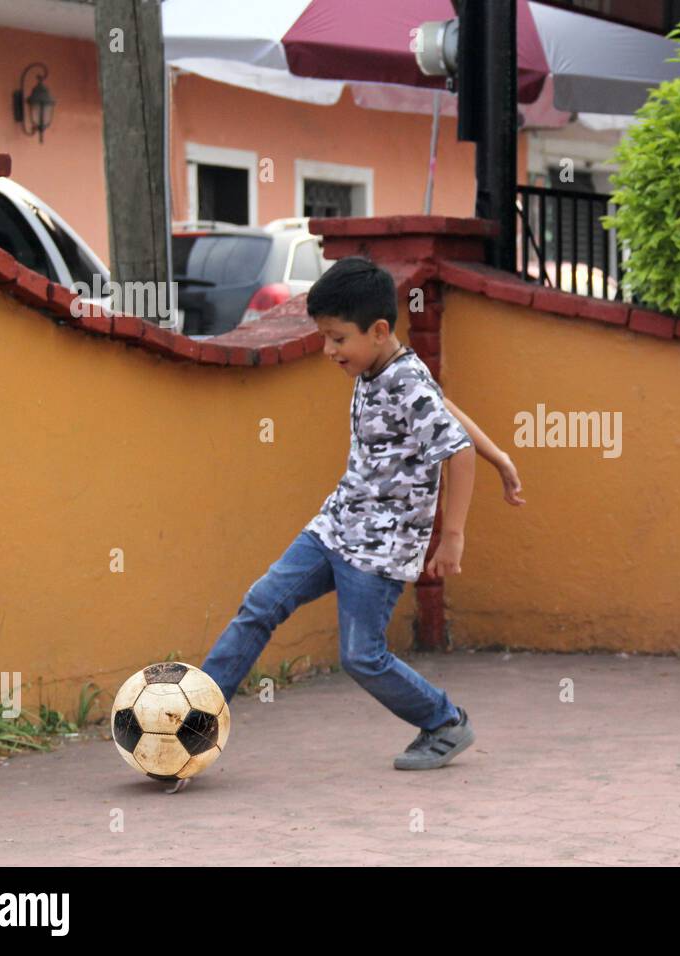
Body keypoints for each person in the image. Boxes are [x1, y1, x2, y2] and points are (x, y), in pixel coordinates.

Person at [200, 255, 524, 776]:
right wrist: (502, 456)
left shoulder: (404, 381)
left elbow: (454, 449)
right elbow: (448, 410)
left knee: (362, 657)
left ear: (377, 331)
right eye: (324, 338)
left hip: (381, 550)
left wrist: (454, 536)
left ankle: (444, 720)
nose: (328, 351)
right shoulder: (386, 366)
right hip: (334, 528)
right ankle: (196, 719)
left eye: (336, 338)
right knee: (260, 605)